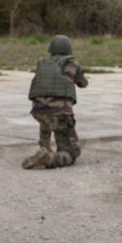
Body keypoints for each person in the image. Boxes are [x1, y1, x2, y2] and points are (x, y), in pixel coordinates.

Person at [22, 34, 89, 169]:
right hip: (60, 113)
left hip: (37, 110)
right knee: (72, 152)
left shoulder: (42, 63)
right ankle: (50, 158)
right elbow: (83, 83)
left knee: (46, 117)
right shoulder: (72, 64)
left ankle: (44, 148)